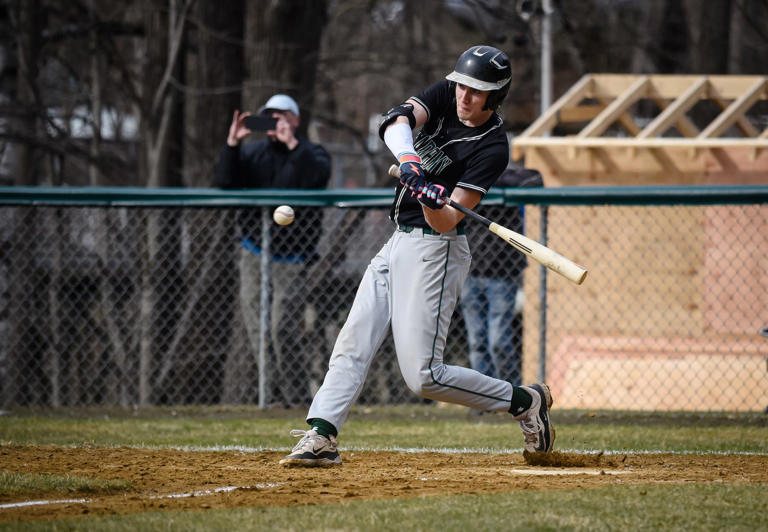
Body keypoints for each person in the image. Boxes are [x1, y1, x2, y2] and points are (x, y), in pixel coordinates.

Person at [279, 45, 554, 467]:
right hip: (398, 240)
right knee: (355, 337)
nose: (464, 96)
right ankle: (322, 433)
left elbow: (446, 221)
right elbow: (396, 120)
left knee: (423, 376)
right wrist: (410, 162)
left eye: (477, 92)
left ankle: (524, 401)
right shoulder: (447, 93)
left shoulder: (493, 147)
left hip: (437, 252)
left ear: (495, 97)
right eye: (462, 86)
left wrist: (430, 198)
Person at [213, 94, 331, 407]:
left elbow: (316, 177)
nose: (274, 123)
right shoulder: (252, 153)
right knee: (257, 327)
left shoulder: (311, 152)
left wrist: (292, 144)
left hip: (292, 256)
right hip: (254, 250)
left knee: (282, 327)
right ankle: (271, 398)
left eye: (280, 116)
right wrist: (232, 144)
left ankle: (297, 399)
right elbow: (224, 181)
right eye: (269, 117)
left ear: (295, 120)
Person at [460, 167, 543, 390]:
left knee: (499, 340)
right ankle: (483, 396)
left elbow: (535, 180)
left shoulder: (506, 175)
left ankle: (511, 395)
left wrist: (489, 176)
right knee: (477, 341)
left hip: (503, 271)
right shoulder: (463, 175)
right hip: (470, 270)